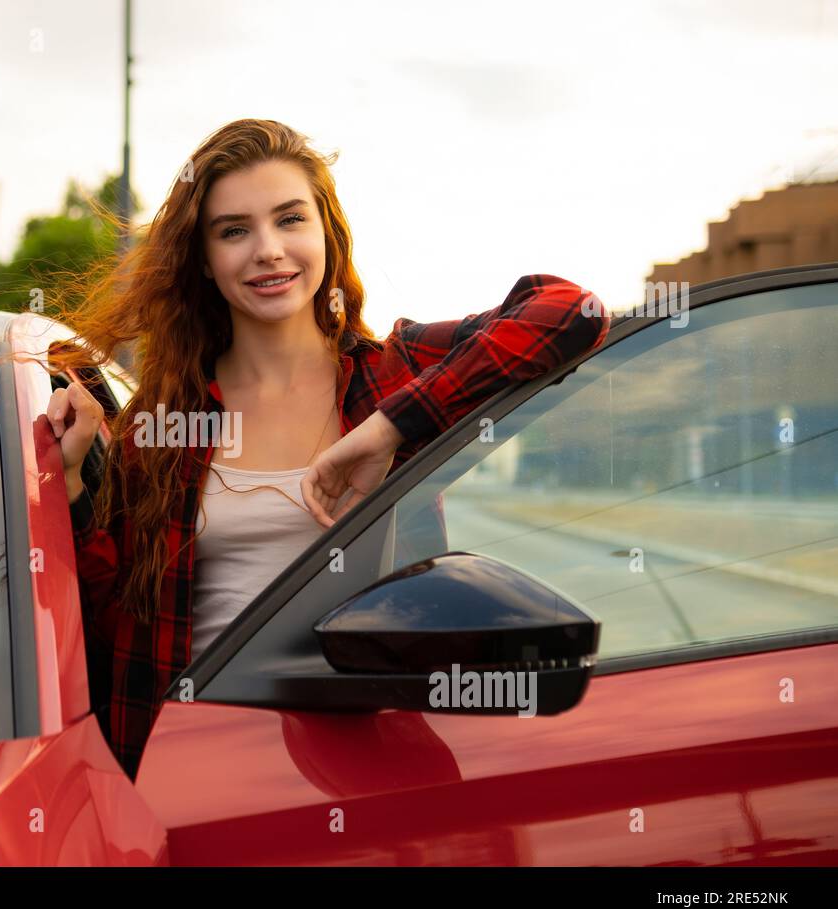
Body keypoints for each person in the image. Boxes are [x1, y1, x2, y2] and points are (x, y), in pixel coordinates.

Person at [44, 118, 609, 781]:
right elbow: (115, 635)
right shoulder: (164, 423)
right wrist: (76, 487)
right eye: (234, 230)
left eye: (290, 220)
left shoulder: (396, 373)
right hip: (189, 776)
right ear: (203, 258)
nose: (268, 250)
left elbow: (576, 311)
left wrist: (388, 428)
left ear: (326, 234)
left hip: (362, 775)